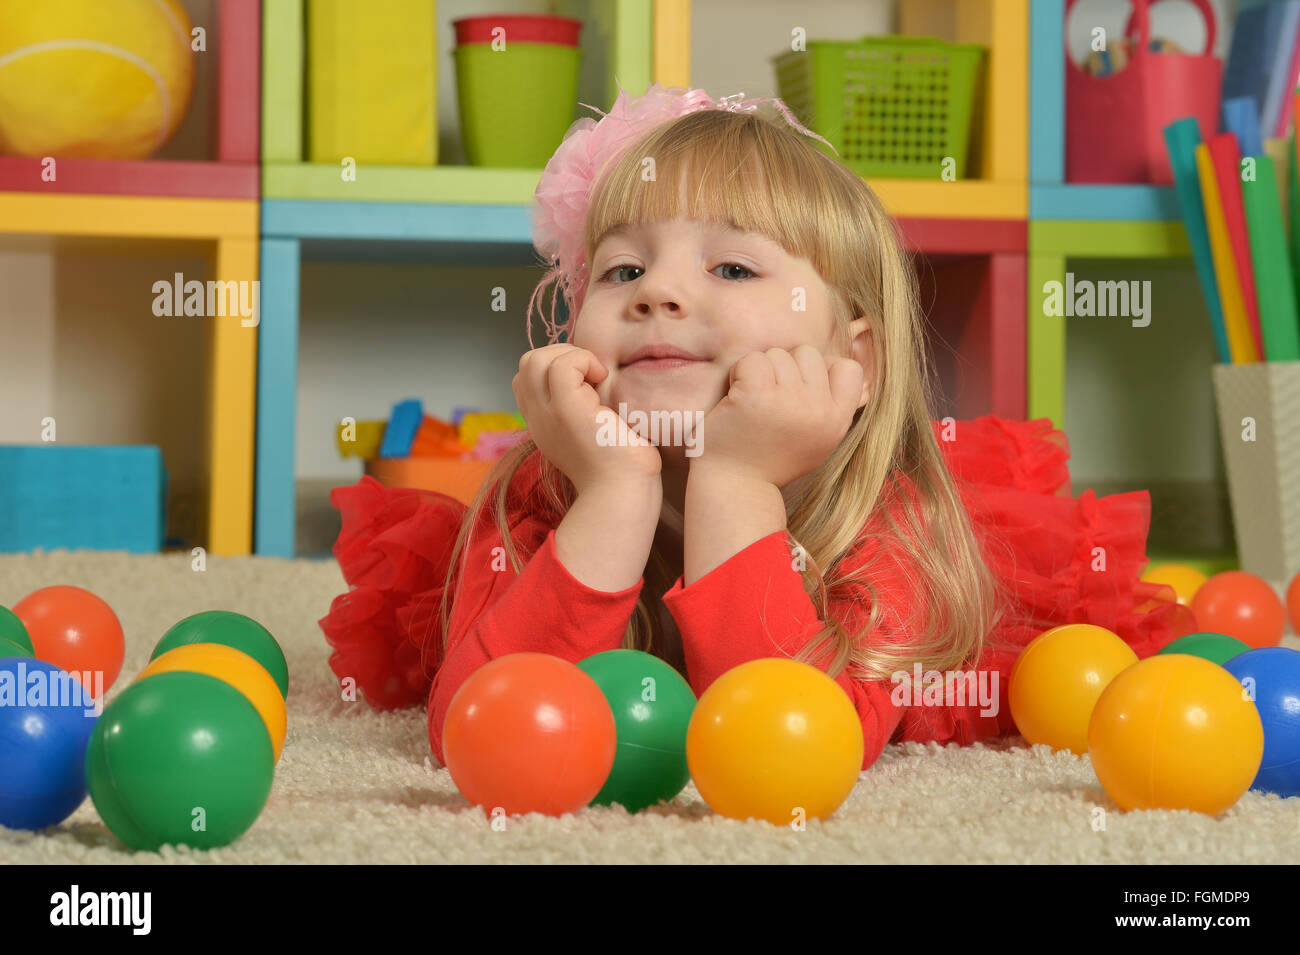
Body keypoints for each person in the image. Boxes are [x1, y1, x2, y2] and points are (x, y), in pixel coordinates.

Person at [319, 83, 1196, 772]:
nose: (656, 292)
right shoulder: (538, 492)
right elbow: (478, 729)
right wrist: (615, 495)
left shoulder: (890, 523)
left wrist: (737, 483)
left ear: (858, 362)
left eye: (732, 266)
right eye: (621, 267)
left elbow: (791, 745)